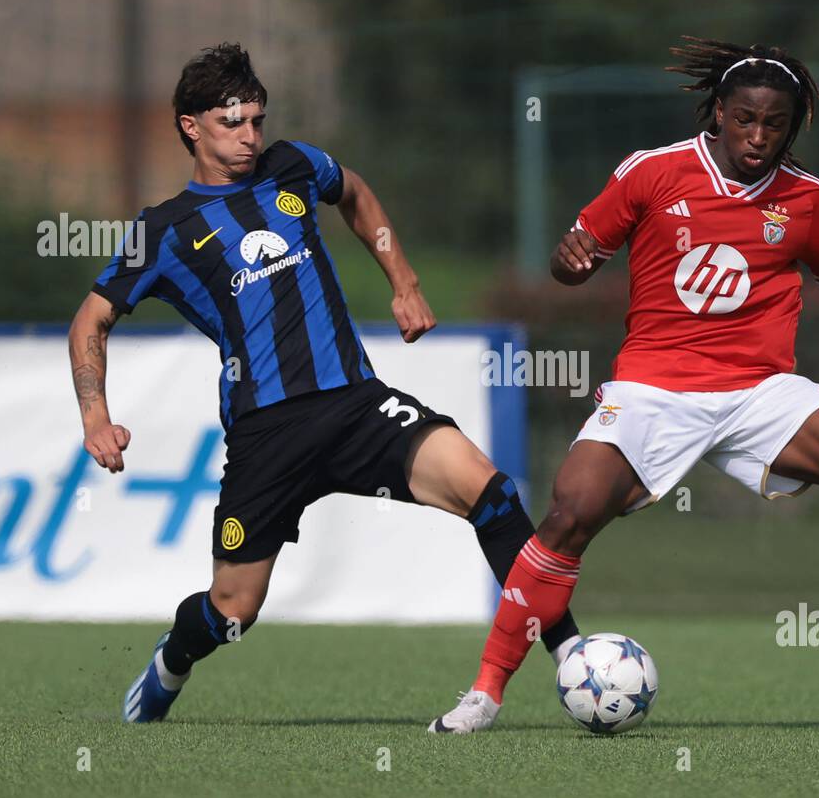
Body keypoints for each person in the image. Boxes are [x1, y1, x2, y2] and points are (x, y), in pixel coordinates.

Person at [428, 37, 819, 735]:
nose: (757, 136)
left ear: (791, 128)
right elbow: (575, 258)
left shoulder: (805, 199)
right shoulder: (654, 173)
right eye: (745, 119)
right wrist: (569, 263)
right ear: (717, 112)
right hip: (653, 387)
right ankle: (485, 694)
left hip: (759, 389)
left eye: (774, 125)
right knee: (568, 513)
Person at [66, 42, 581, 722]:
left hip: (355, 405)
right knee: (233, 613)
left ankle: (573, 658)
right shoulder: (162, 230)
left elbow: (358, 194)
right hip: (266, 436)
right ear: (191, 126)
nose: (251, 136)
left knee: (489, 491)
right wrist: (95, 416)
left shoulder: (294, 165)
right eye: (233, 123)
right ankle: (173, 660)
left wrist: (404, 280)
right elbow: (90, 322)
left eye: (257, 119)